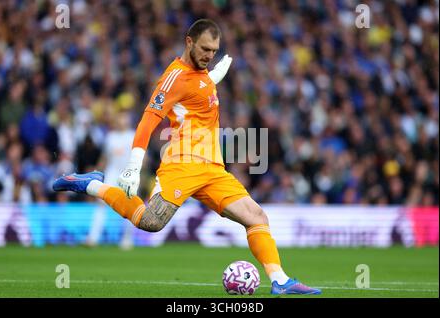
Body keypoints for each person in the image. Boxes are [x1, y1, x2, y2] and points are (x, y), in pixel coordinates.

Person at [53, 19, 321, 295]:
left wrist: (213, 77)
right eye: (205, 48)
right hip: (183, 163)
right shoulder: (173, 77)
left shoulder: (203, 74)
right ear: (189, 41)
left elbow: (195, 96)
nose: (209, 55)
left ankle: (279, 280)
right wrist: (134, 165)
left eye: (214, 51)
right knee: (151, 222)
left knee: (256, 217)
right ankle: (91, 184)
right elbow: (149, 119)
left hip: (213, 168)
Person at [85, 111, 136, 249]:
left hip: (127, 175)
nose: (121, 121)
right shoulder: (111, 137)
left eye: (124, 118)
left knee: (129, 208)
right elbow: (105, 158)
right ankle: (93, 238)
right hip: (112, 174)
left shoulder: (133, 136)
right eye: (119, 117)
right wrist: (96, 172)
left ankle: (127, 239)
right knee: (101, 204)